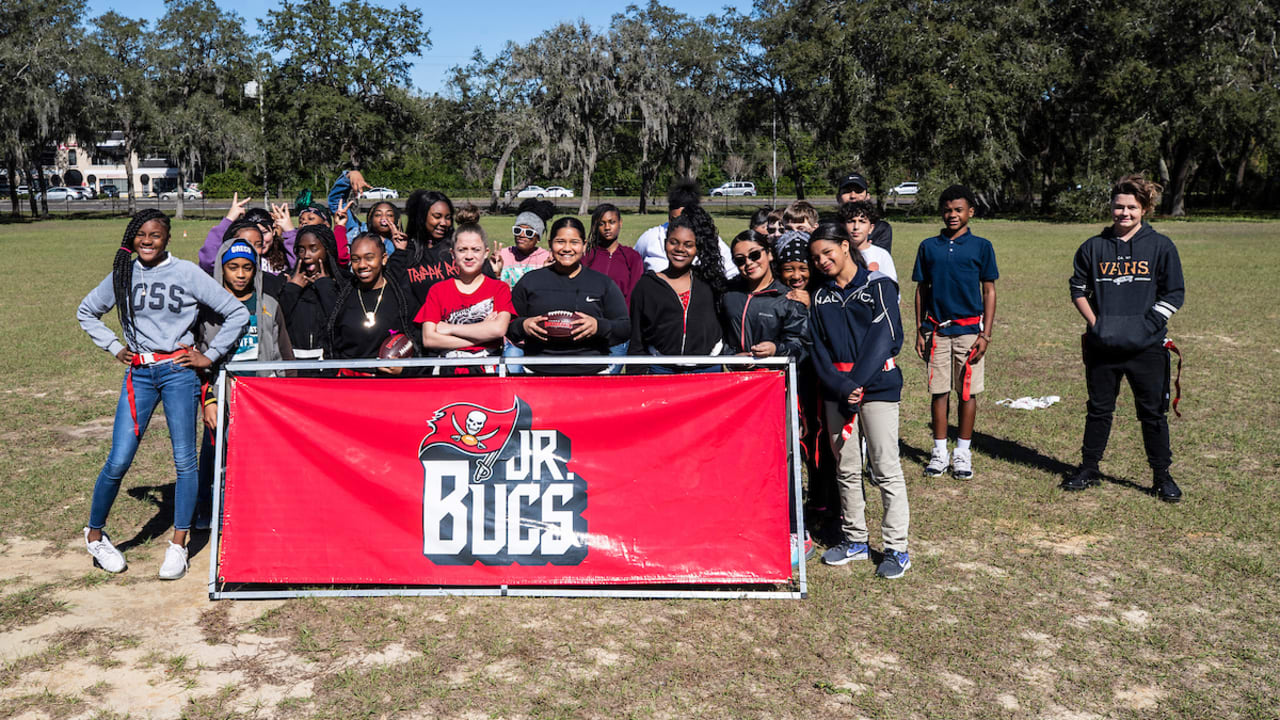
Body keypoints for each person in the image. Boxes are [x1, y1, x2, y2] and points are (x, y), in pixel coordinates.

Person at [75, 209, 249, 579]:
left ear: (168, 238)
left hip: (179, 373)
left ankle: (178, 544)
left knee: (185, 462)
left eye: (156, 234)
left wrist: (209, 356)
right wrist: (112, 345)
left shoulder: (185, 272)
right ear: (132, 238)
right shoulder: (123, 274)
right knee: (119, 459)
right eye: (141, 234)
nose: (148, 240)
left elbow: (235, 312)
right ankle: (94, 534)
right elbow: (87, 311)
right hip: (138, 374)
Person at [1064, 175, 1185, 502]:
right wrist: (1097, 323)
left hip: (1147, 348)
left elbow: (1174, 293)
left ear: (1144, 208)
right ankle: (1089, 468)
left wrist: (1148, 325)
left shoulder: (1161, 246)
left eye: (1132, 207)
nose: (1124, 213)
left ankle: (1162, 476)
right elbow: (1078, 290)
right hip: (1103, 347)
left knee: (1152, 413)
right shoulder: (1093, 247)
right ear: (1111, 207)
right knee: (1099, 410)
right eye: (1119, 206)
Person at [806, 222, 910, 579]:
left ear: (845, 247)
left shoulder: (879, 286)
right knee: (846, 468)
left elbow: (888, 336)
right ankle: (855, 540)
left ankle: (896, 547)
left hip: (877, 388)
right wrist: (840, 385)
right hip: (838, 391)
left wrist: (859, 382)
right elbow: (817, 347)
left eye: (827, 252)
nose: (822, 261)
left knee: (885, 467)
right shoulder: (820, 296)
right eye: (816, 256)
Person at [194, 232, 294, 528]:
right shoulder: (206, 310)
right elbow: (197, 357)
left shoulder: (270, 306)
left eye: (247, 267)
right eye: (233, 267)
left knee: (263, 455)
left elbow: (285, 355)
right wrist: (208, 397)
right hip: (222, 392)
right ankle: (207, 506)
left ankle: (261, 509)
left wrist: (288, 392)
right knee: (215, 451)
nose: (240, 274)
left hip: (262, 394)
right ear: (221, 269)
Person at [912, 184, 998, 480]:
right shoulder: (928, 246)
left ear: (970, 212)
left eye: (958, 210)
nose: (952, 215)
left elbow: (989, 290)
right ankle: (939, 452)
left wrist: (985, 334)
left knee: (966, 392)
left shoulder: (981, 246)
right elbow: (922, 290)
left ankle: (962, 452)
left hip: (969, 332)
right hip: (937, 331)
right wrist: (919, 330)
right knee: (939, 392)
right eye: (947, 210)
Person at [507, 217, 630, 375]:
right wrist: (523, 325)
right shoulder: (530, 281)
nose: (567, 248)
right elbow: (508, 325)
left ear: (584, 245)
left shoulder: (603, 283)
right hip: (537, 372)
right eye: (560, 241)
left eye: (574, 242)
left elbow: (624, 328)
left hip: (591, 373)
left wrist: (598, 326)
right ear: (550, 243)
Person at [628, 206, 727, 372]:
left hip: (707, 368)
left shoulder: (709, 282)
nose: (680, 249)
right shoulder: (646, 286)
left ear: (697, 249)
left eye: (688, 245)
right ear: (665, 242)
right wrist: (636, 374)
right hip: (661, 368)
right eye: (674, 242)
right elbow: (637, 336)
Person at [417, 223, 514, 374]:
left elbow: (498, 329)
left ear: (485, 253)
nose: (469, 256)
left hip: (487, 367)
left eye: (476, 250)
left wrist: (450, 329)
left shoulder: (499, 288)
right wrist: (483, 334)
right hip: (449, 367)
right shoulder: (438, 290)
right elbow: (429, 339)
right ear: (453, 254)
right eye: (462, 250)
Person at [325, 233, 422, 374]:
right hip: (350, 385)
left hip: (390, 386)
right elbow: (331, 348)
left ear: (383, 259)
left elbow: (420, 346)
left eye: (369, 258)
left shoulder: (403, 300)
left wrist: (404, 369)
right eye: (355, 259)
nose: (362, 265)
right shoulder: (341, 300)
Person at [720, 230, 807, 361]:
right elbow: (718, 337)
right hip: (734, 376)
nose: (748, 263)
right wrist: (732, 357)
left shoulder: (788, 298)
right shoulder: (727, 294)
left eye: (754, 255)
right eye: (740, 260)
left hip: (773, 378)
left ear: (769, 253)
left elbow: (800, 345)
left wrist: (775, 349)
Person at [633, 179, 738, 279]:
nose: (678, 226)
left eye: (684, 220)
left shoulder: (711, 241)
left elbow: (732, 273)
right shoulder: (651, 237)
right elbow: (632, 266)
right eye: (673, 220)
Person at [281, 224, 346, 360]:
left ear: (327, 250)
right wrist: (292, 289)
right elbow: (278, 320)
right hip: (294, 363)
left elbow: (341, 321)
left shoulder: (344, 281)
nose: (306, 256)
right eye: (301, 250)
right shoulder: (287, 280)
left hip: (330, 363)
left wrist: (325, 287)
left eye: (313, 249)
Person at [840, 201, 898, 282]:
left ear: (871, 228)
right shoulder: (838, 254)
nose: (856, 227)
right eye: (851, 221)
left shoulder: (881, 255)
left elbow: (891, 288)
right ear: (843, 226)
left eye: (862, 221)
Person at [835, 171, 892, 252]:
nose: (853, 196)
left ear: (867, 197)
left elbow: (877, 260)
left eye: (858, 191)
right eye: (847, 191)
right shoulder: (828, 227)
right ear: (838, 197)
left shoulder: (881, 228)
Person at [498, 211, 552, 288]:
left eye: (529, 233)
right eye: (517, 230)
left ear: (538, 238)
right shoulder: (502, 255)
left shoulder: (547, 258)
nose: (521, 235)